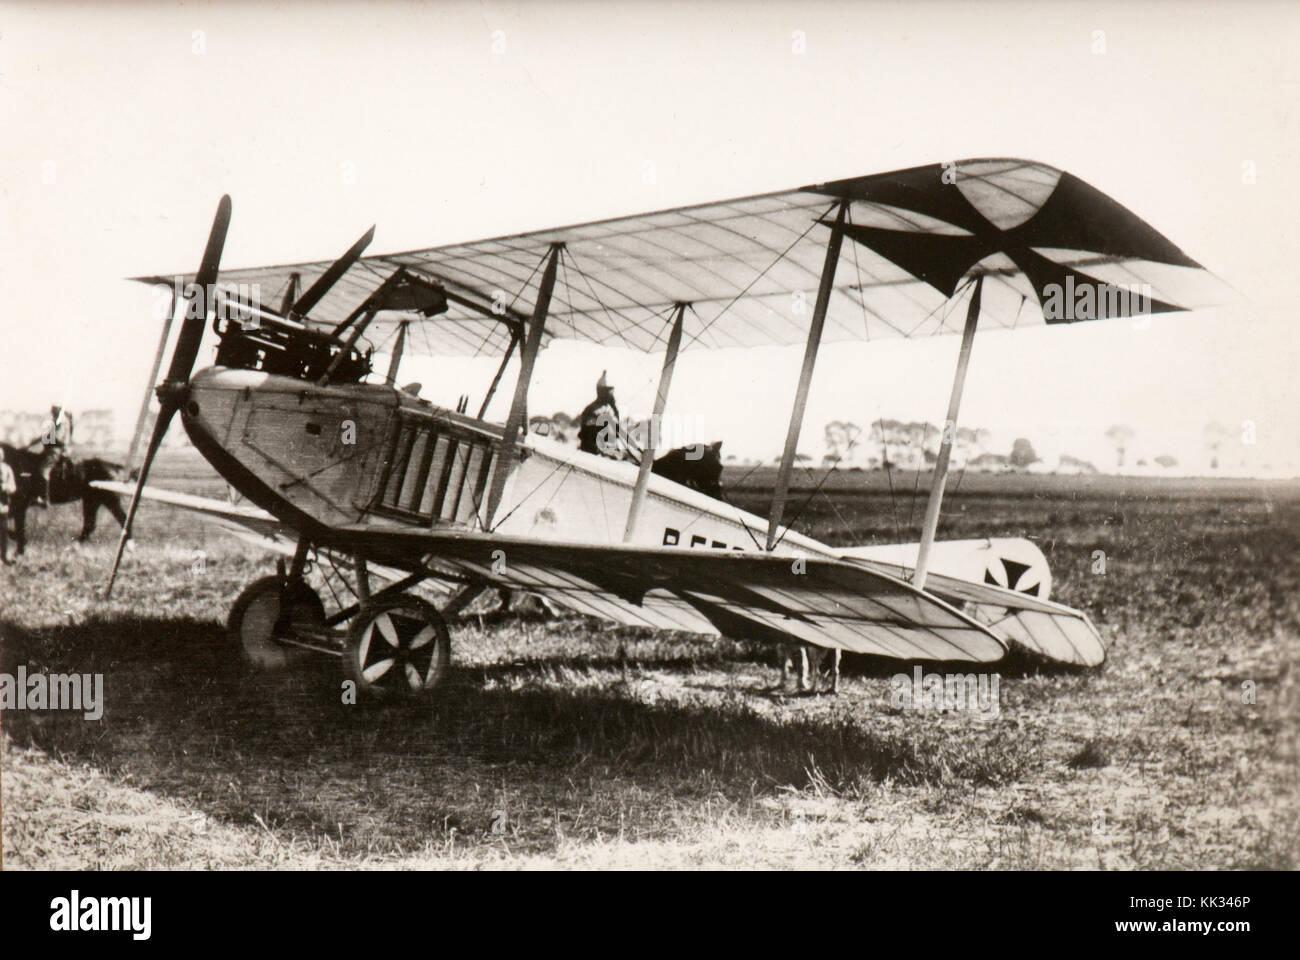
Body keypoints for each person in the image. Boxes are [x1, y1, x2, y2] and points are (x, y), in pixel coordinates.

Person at [36, 404, 73, 508]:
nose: (52, 414)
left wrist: (45, 438)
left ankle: (45, 499)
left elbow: (58, 438)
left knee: (44, 469)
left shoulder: (62, 422)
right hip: (53, 449)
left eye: (54, 412)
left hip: (58, 450)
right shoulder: (57, 421)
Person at [577, 371, 622, 458]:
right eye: (609, 390)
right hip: (591, 450)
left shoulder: (613, 410)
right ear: (602, 391)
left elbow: (616, 432)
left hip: (608, 452)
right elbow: (587, 429)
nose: (612, 393)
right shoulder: (591, 408)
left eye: (612, 390)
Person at [0, 447, 16, 563]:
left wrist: (6, 487)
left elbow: (13, 486)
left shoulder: (7, 469)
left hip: (2, 505)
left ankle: (4, 556)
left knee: (3, 531)